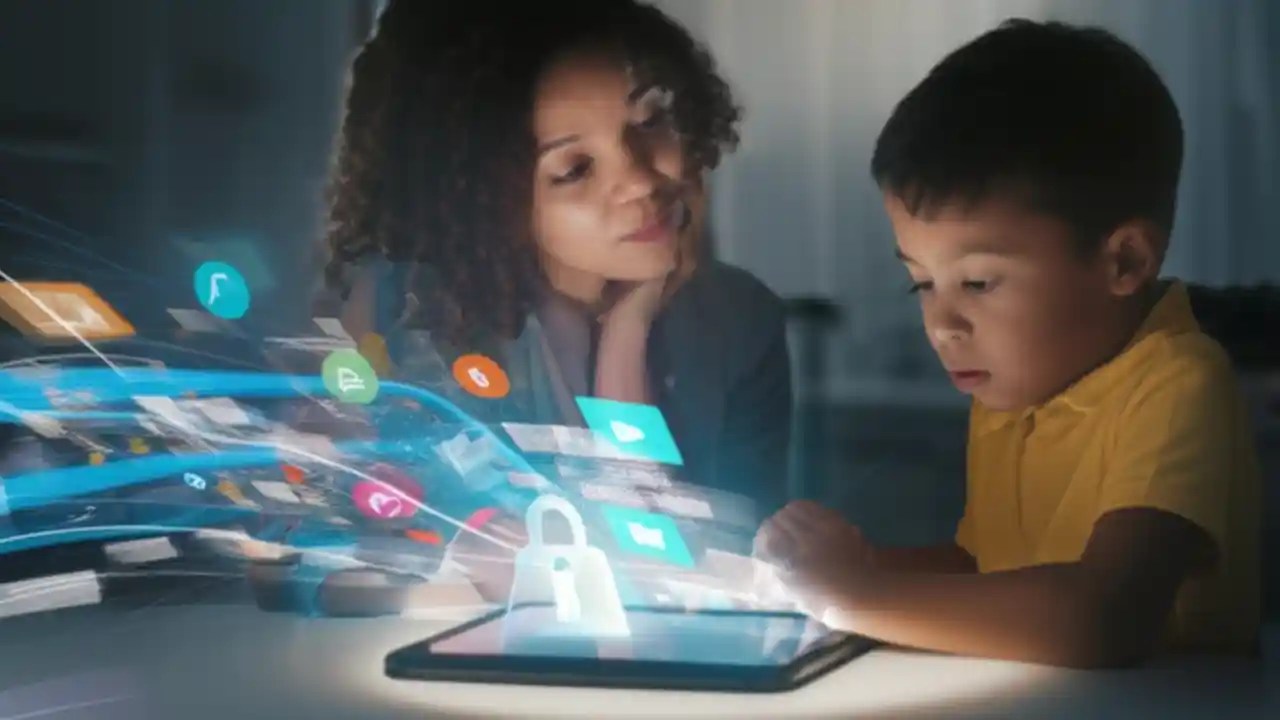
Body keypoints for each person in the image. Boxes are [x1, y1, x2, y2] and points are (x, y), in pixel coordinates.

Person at [756, 20, 1261, 667]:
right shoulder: (1010, 393)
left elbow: (1103, 617)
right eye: (921, 285)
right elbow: (987, 570)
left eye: (978, 282)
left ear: (1124, 262)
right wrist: (843, 567)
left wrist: (854, 593)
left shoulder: (1179, 383)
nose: (942, 324)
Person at [311, 0, 791, 602]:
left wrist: (627, 338)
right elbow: (328, 544)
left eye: (650, 123)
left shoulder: (739, 320)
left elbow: (733, 567)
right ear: (490, 193)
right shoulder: (409, 322)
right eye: (574, 169)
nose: (642, 181)